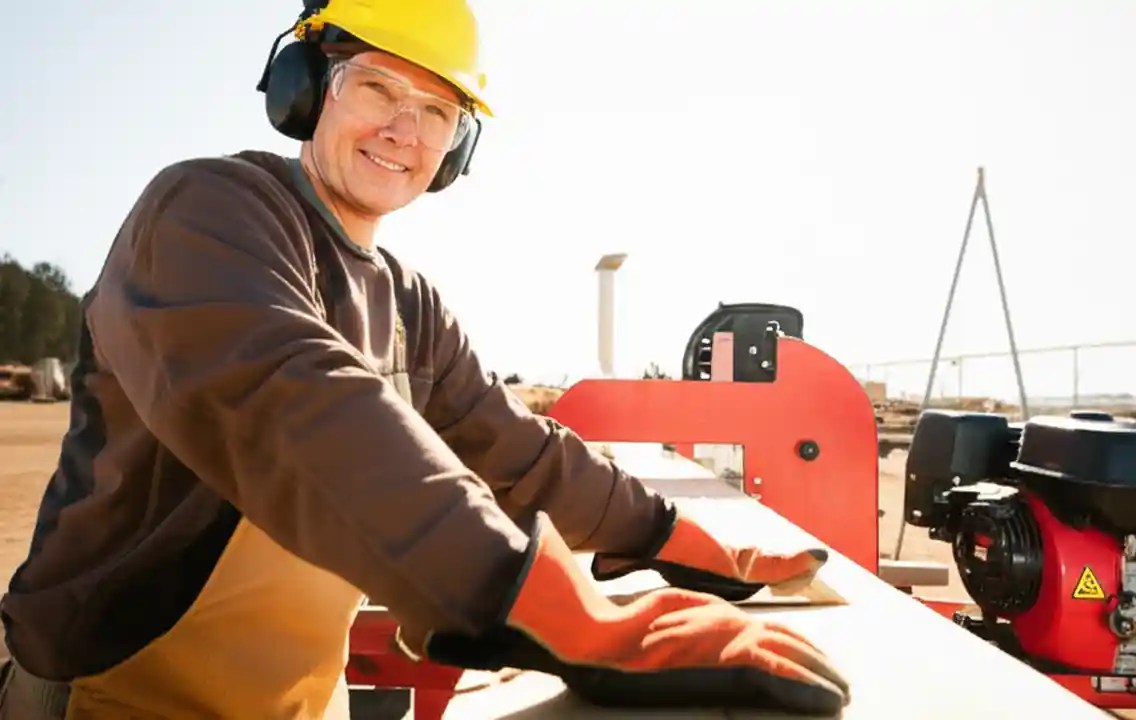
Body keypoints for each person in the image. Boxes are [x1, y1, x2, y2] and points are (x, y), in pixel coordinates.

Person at [0, 1, 850, 718]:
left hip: (298, 701)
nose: (404, 130)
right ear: (305, 93)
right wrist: (549, 607)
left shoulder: (410, 304)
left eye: (438, 110)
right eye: (377, 85)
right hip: (108, 693)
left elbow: (522, 452)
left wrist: (676, 539)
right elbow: (292, 403)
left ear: (456, 149)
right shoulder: (207, 214)